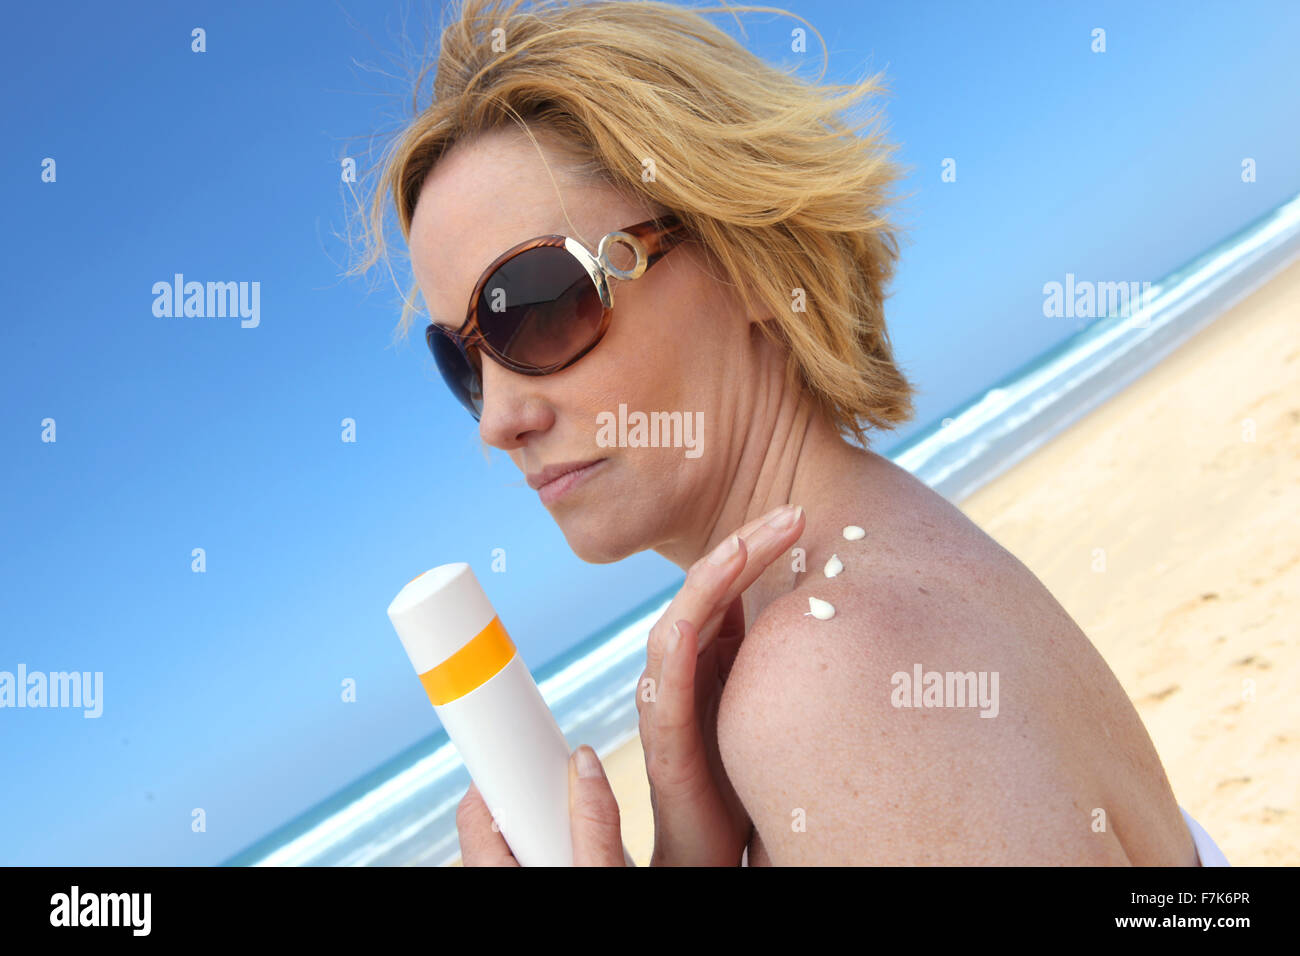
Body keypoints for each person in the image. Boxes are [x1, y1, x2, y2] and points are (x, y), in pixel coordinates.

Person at [356, 0, 1223, 865]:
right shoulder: (880, 571)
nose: (501, 420)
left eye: (537, 308)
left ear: (746, 257)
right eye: (463, 361)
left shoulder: (826, 676)